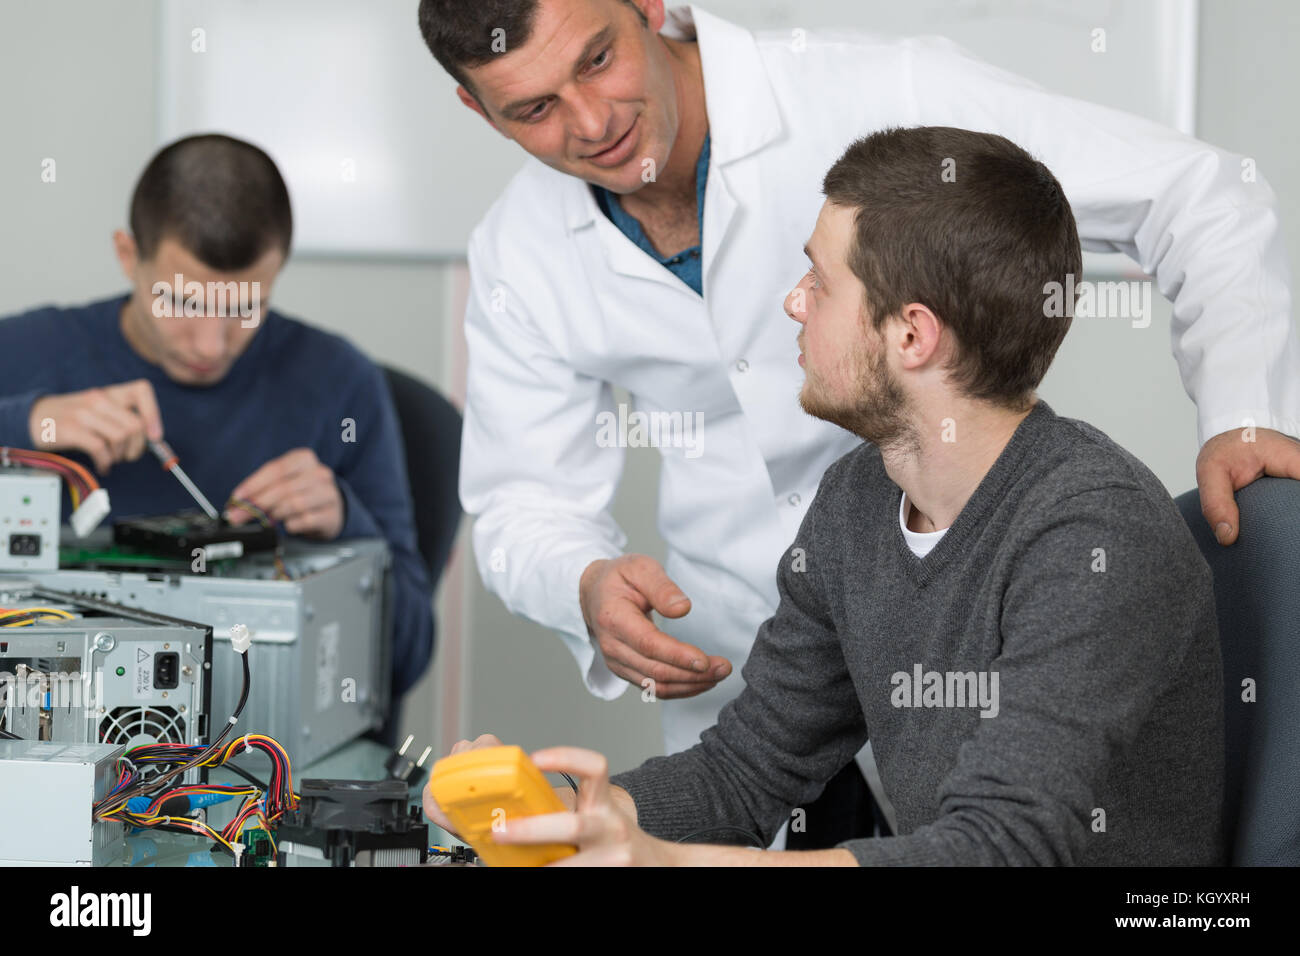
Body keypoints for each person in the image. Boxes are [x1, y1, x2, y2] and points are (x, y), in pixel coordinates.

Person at [420, 0, 1297, 843]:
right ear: (476, 108)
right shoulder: (521, 251)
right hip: (758, 662)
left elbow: (1192, 190)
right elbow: (525, 502)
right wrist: (546, 794)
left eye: (597, 60)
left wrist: (1246, 410)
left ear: (649, 4)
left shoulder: (1083, 532)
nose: (588, 119)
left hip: (974, 637)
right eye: (533, 108)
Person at [0, 133, 436, 706]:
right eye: (182, 303)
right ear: (128, 255)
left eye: (244, 308)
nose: (212, 344)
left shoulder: (341, 383)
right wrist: (23, 425)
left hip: (263, 751)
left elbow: (407, 657)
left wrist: (350, 525)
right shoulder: (23, 355)